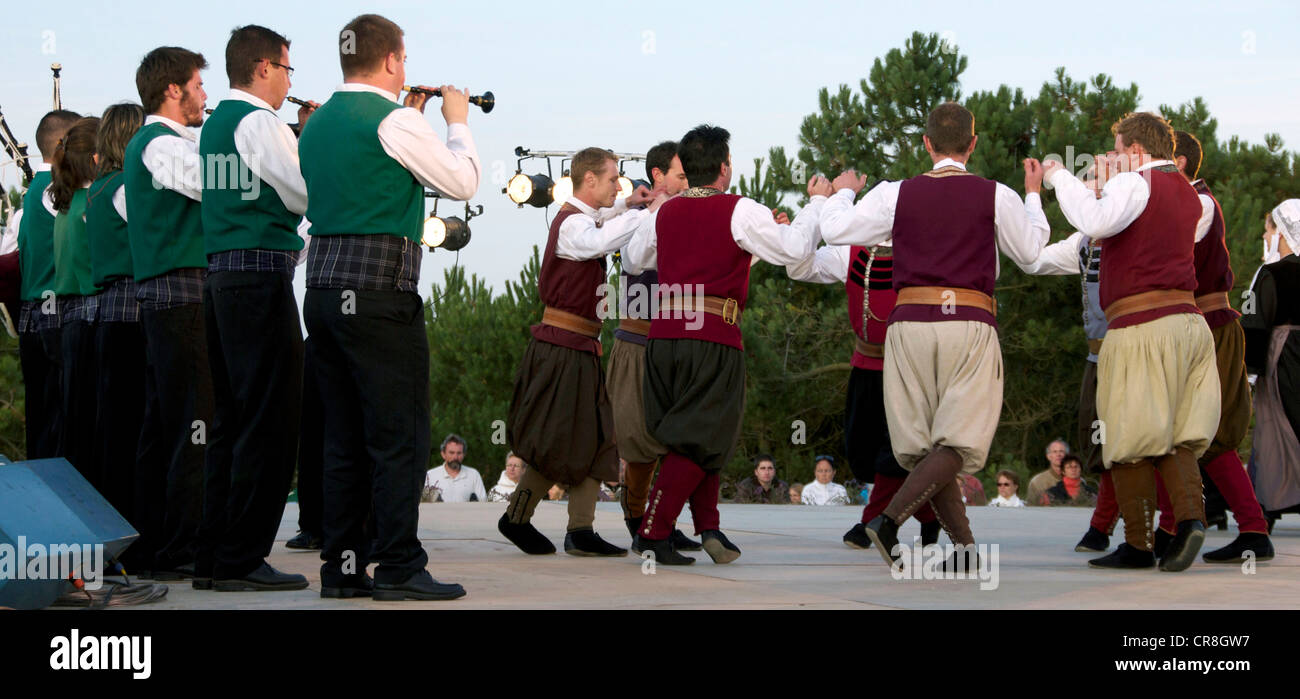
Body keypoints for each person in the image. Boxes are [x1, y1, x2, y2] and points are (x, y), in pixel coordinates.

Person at [823, 102, 1049, 571]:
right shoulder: (996, 195)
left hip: (907, 325)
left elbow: (834, 229)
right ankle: (887, 520)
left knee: (927, 447)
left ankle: (965, 550)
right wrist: (1032, 196)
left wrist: (843, 193)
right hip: (967, 320)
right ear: (973, 143)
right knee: (957, 444)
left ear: (926, 144)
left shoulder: (896, 194)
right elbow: (1031, 253)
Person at [299, 13, 478, 601]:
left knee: (343, 438)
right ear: (394, 61)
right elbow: (462, 183)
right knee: (398, 436)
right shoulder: (396, 119)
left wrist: (412, 124)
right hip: (380, 295)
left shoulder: (319, 121)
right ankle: (399, 565)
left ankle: (342, 569)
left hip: (322, 294)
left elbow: (353, 180)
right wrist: (456, 123)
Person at [622, 124, 825, 565]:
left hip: (664, 335)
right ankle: (653, 533)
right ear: (724, 167)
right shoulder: (741, 210)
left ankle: (709, 526)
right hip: (712, 335)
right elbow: (793, 249)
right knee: (702, 435)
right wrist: (816, 206)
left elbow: (635, 259)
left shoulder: (664, 212)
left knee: (696, 433)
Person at [1046, 112, 1219, 571]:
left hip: (1142, 325)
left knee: (1126, 434)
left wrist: (1060, 175)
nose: (1115, 158)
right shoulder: (1191, 194)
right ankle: (1191, 520)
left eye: (1120, 150)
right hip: (1188, 321)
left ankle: (1140, 544)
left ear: (1137, 152)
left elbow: (1093, 220)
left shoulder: (1135, 182)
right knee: (1178, 433)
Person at [198, 25, 313, 592]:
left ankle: (216, 555)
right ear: (265, 67)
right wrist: (311, 142)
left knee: (232, 421)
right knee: (268, 421)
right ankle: (243, 557)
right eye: (289, 70)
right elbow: (301, 191)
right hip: (259, 278)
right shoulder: (259, 121)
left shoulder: (219, 121)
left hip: (223, 275)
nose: (291, 82)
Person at [498, 147, 651, 557]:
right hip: (561, 348)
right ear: (589, 180)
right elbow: (596, 240)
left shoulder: (583, 218)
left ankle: (580, 530)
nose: (617, 185)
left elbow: (601, 220)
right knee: (556, 436)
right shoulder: (571, 227)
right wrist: (647, 214)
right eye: (612, 179)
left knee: (599, 435)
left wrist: (627, 203)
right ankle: (516, 517)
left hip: (582, 347)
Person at [782, 237, 941, 549]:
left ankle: (872, 520)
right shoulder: (851, 251)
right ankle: (928, 514)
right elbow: (800, 268)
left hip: (906, 365)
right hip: (864, 362)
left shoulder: (921, 251)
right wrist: (800, 236)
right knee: (862, 447)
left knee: (894, 450)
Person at [124, 46, 213, 583]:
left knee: (170, 427)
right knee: (195, 425)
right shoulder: (160, 143)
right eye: (198, 85)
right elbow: (213, 186)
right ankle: (184, 547)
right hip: (180, 297)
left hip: (173, 297)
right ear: (173, 90)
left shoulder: (163, 142)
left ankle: (158, 543)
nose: (206, 94)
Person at [1171, 131, 1274, 563]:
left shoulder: (1199, 204)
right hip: (1193, 323)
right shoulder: (1187, 202)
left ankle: (1244, 528)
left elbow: (1168, 250)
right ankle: (1246, 527)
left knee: (1203, 433)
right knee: (1181, 430)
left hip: (1209, 325)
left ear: (1177, 163)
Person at [606, 139, 699, 553]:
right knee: (641, 443)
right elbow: (636, 262)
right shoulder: (635, 220)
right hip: (640, 341)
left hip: (676, 341)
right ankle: (637, 521)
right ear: (658, 176)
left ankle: (661, 521)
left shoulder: (686, 216)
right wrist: (651, 209)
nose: (687, 183)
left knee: (674, 439)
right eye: (681, 175)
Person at [85, 103, 148, 573]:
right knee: (135, 429)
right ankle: (134, 540)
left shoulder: (97, 190)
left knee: (113, 430)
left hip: (105, 311)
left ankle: (109, 539)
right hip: (132, 310)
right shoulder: (127, 187)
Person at [16, 109, 80, 460]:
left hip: (31, 311)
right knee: (61, 414)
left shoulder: (28, 197)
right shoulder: (57, 191)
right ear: (62, 145)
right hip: (55, 313)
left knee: (41, 415)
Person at [48, 117, 103, 487]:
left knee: (75, 419)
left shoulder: (65, 207)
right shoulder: (93, 205)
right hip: (90, 313)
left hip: (67, 319)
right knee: (97, 422)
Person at [1243, 201, 1300, 528]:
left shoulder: (1272, 272)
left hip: (1282, 356)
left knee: (1275, 427)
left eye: (1269, 228)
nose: (1267, 235)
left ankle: (1268, 502)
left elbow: (1256, 321)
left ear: (1281, 230)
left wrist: (1250, 369)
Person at [424, 434, 487, 503]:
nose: (455, 457)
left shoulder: (473, 475)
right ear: (443, 454)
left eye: (459, 453)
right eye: (451, 453)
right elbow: (422, 504)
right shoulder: (430, 476)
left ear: (464, 454)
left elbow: (483, 502)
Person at [1025, 440, 1068, 506]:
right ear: (1048, 456)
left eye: (1061, 451)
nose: (1058, 455)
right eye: (1055, 452)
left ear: (1067, 455)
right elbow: (1030, 508)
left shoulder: (1079, 481)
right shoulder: (1037, 482)